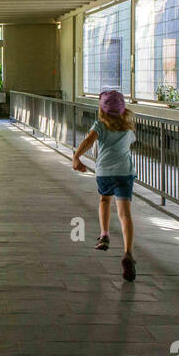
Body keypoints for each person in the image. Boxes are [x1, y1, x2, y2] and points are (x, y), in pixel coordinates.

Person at [72, 90, 137, 281]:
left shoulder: (100, 125)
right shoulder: (128, 127)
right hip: (125, 173)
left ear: (102, 108)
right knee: (125, 214)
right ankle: (128, 253)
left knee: (104, 200)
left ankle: (104, 234)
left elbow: (88, 141)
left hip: (105, 172)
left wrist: (77, 157)